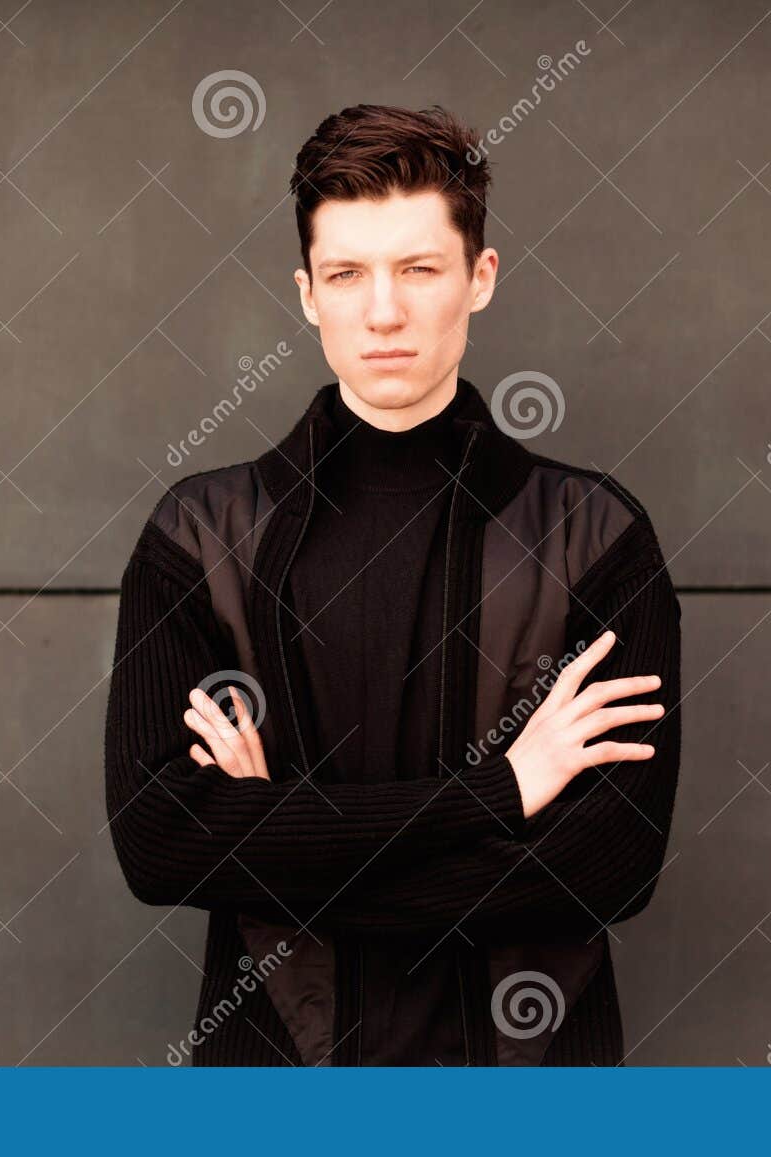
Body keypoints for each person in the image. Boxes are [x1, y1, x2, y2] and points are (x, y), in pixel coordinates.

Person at [104, 103, 681, 1065]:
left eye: (418, 269)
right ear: (305, 293)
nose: (383, 310)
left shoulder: (597, 538)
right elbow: (161, 847)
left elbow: (606, 871)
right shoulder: (197, 539)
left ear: (479, 277)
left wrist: (272, 845)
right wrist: (500, 792)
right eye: (347, 274)